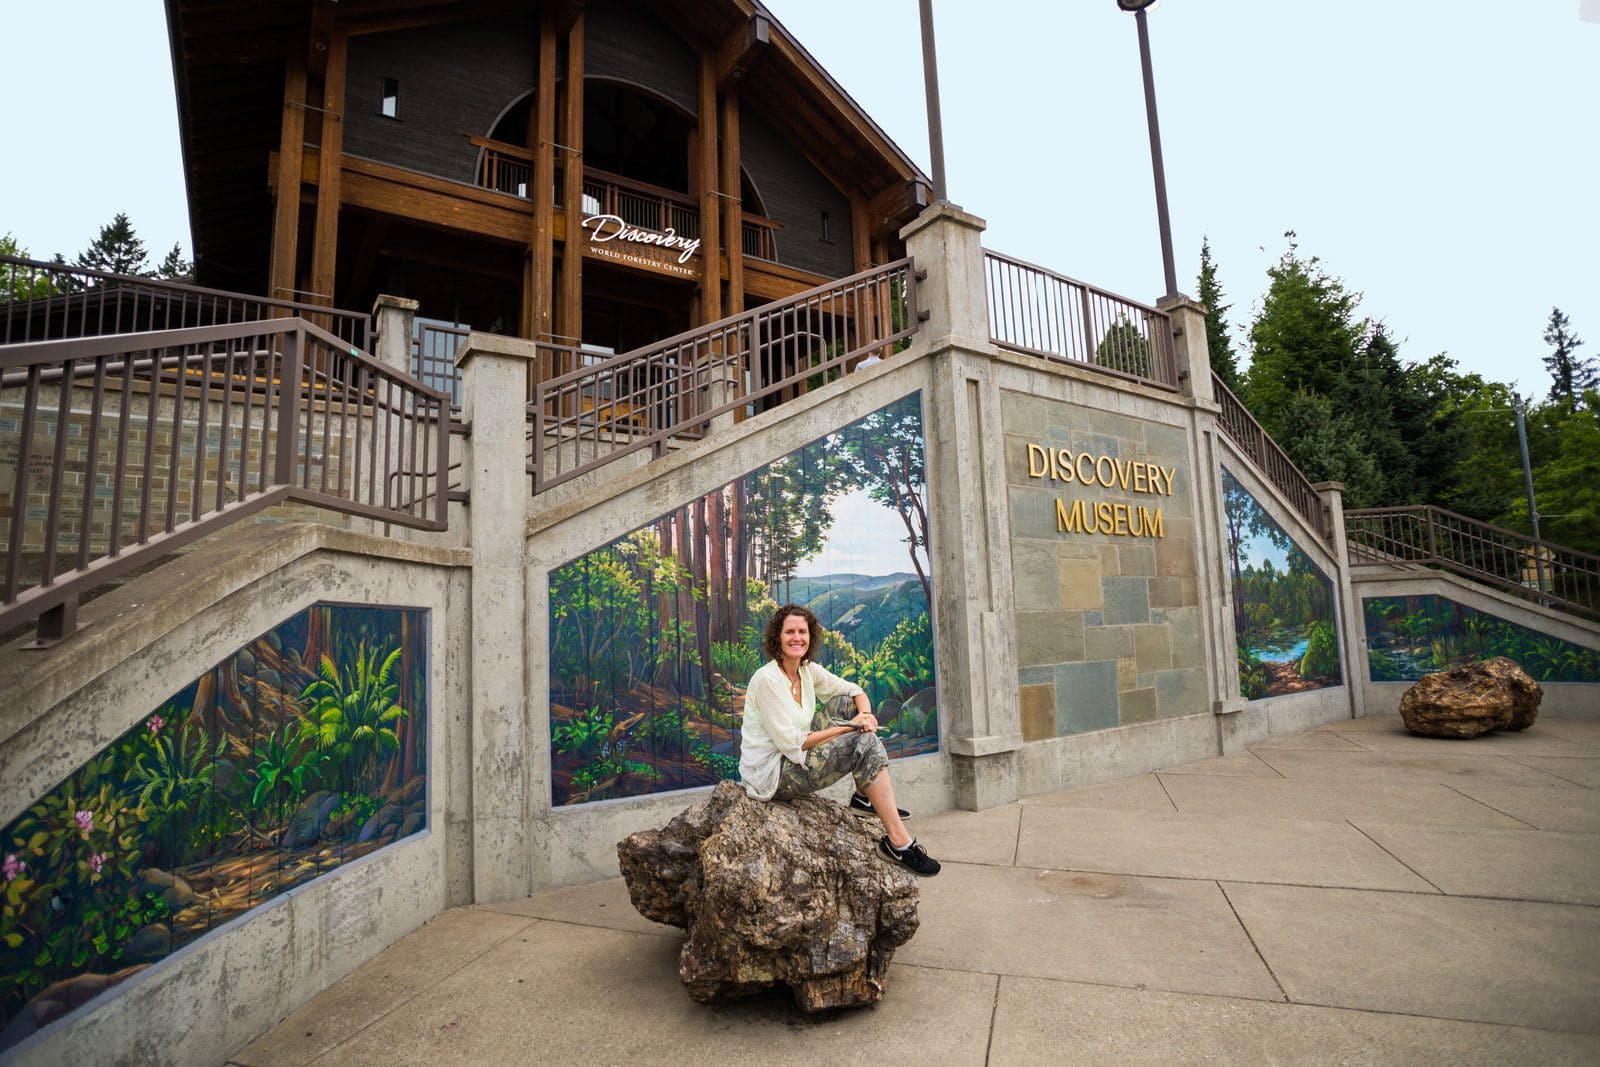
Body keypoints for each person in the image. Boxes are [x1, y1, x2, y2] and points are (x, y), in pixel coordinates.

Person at [737, 604, 940, 876]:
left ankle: (863, 799)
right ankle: (899, 844)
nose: (797, 638)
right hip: (773, 774)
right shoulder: (767, 681)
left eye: (802, 632)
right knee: (864, 742)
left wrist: (865, 715)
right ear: (777, 637)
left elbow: (853, 690)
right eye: (789, 632)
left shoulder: (806, 670)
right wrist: (849, 729)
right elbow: (794, 743)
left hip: (795, 754)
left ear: (810, 637)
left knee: (847, 703)